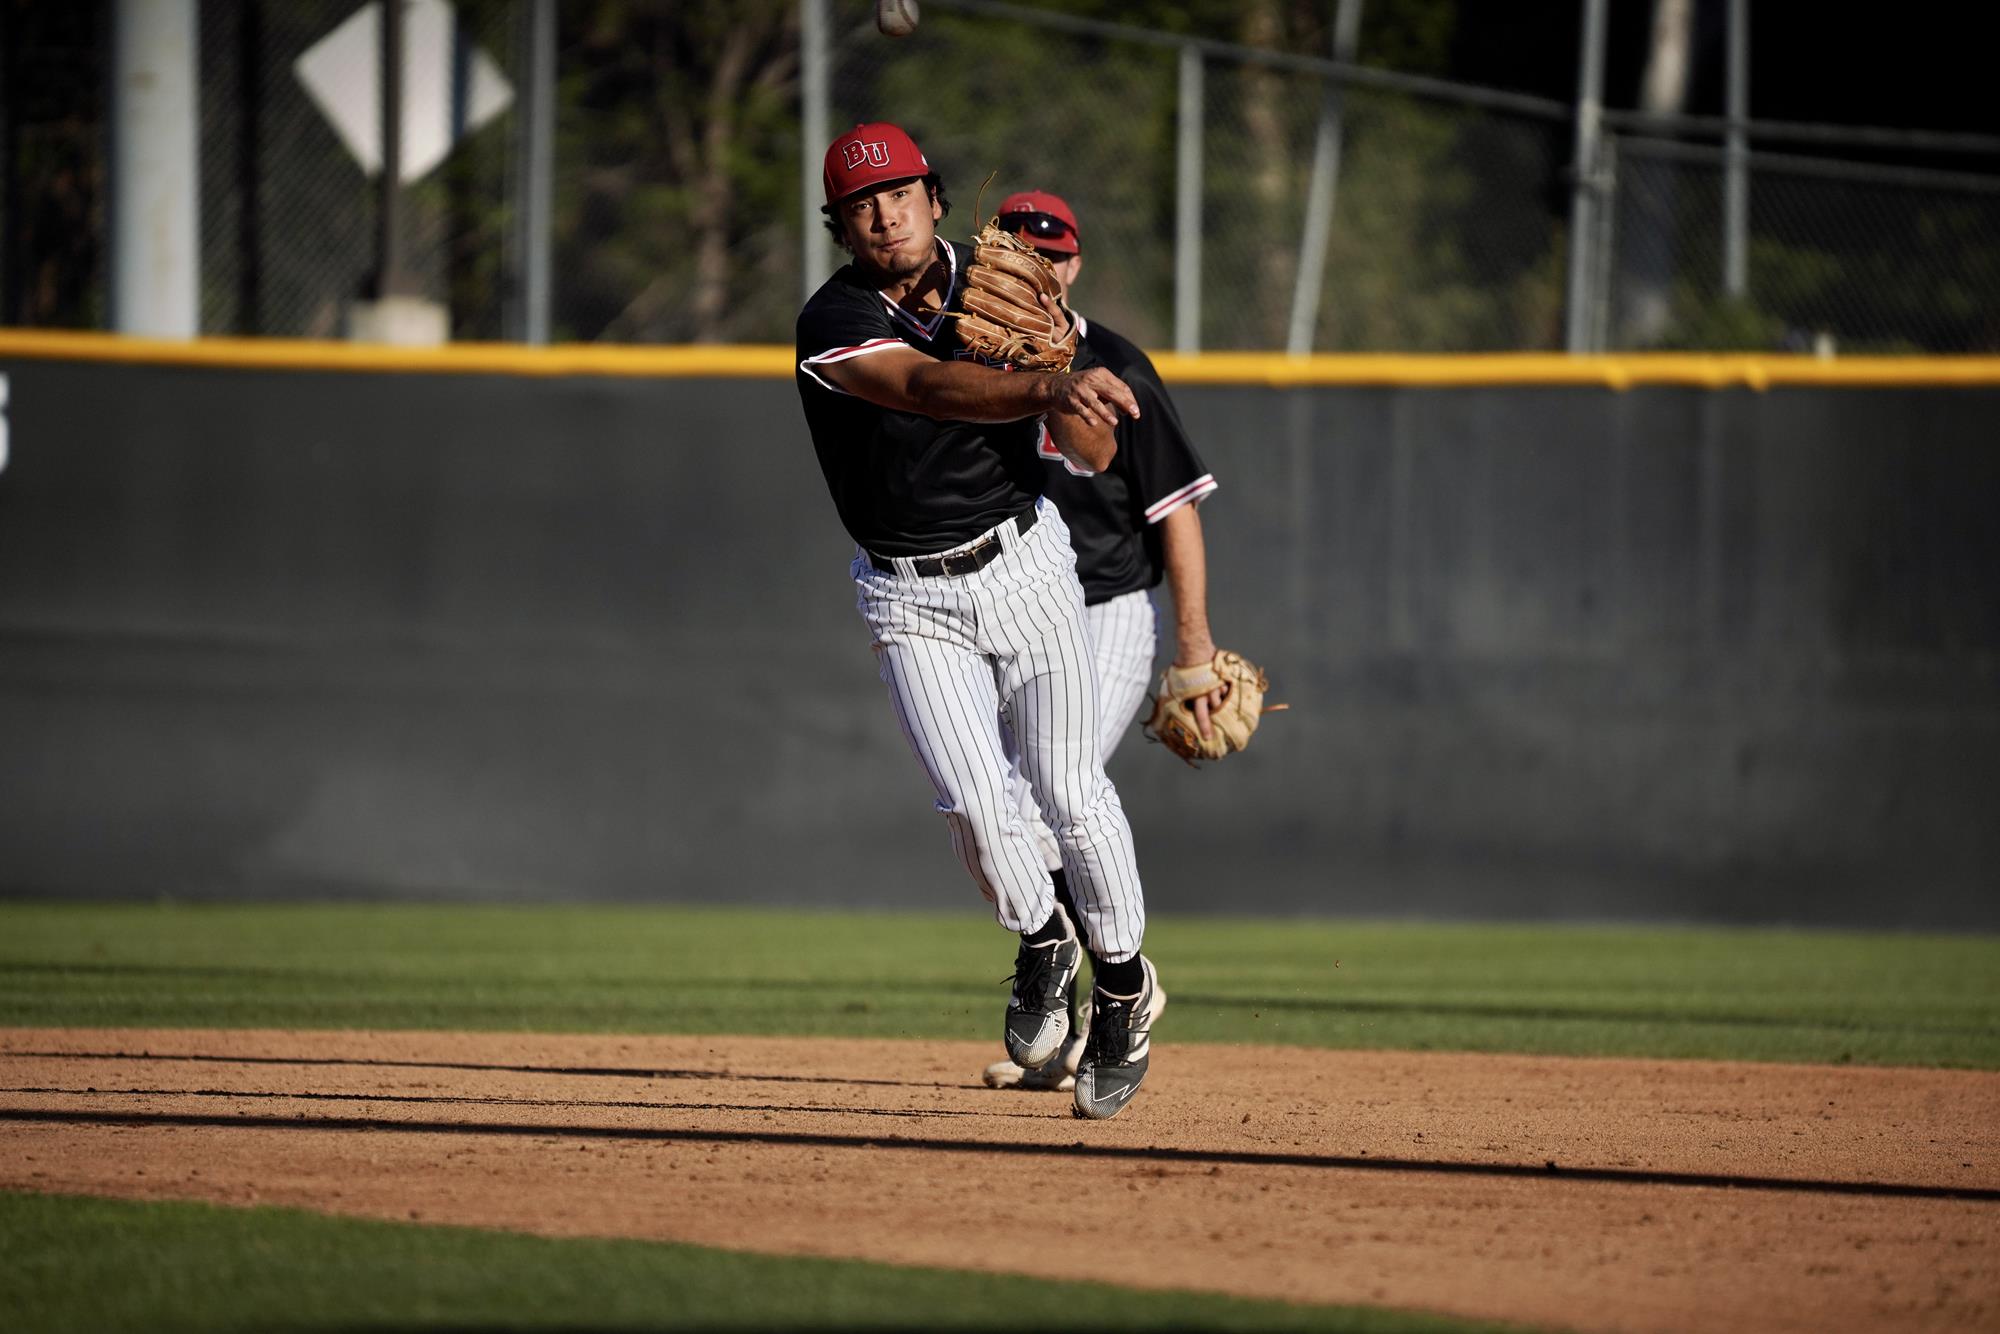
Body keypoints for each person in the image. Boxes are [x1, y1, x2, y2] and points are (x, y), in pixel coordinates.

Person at [793, 123, 1163, 1120]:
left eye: (901, 192)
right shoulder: (831, 318)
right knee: (974, 804)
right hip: (909, 593)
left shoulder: (1004, 279)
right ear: (840, 224)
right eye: (861, 203)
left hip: (1027, 565)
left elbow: (1086, 454)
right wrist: (1038, 380)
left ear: (933, 196)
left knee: (1069, 790)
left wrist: (1062, 352)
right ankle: (1044, 935)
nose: (884, 213)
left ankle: (1123, 988)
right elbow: (920, 385)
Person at [977, 189, 1222, 1094]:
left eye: (1054, 253)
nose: (1038, 265)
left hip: (1103, 607)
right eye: (1018, 250)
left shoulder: (1116, 364)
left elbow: (1177, 513)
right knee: (995, 813)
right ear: (991, 258)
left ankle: (1118, 992)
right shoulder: (961, 357)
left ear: (1074, 267)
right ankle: (1097, 1000)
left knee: (1053, 789)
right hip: (998, 605)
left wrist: (1193, 652)